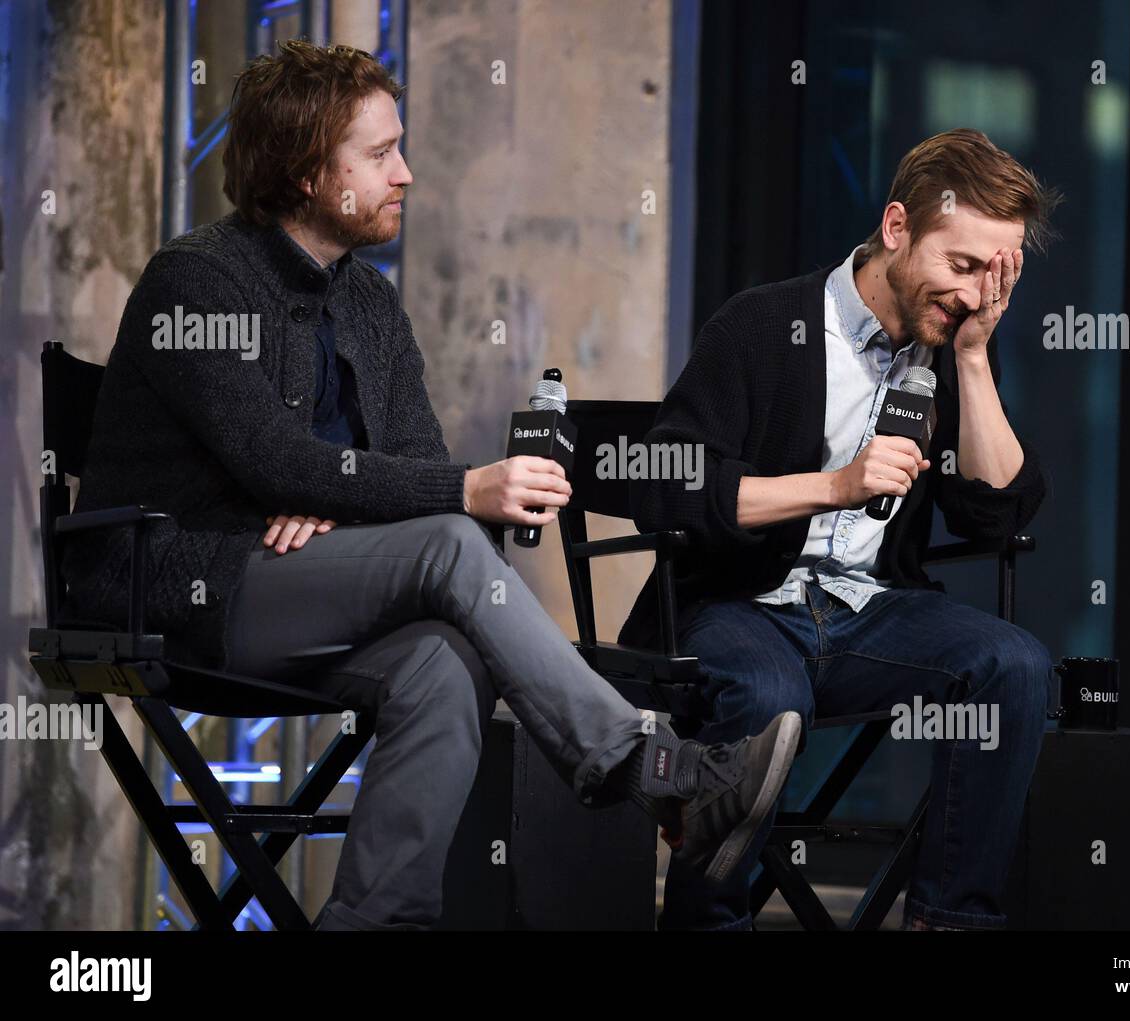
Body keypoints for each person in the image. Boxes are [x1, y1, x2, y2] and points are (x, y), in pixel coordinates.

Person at [59, 40, 800, 931]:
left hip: (295, 597)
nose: (406, 172)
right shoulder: (198, 280)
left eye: (399, 147)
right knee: (450, 535)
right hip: (181, 591)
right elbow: (278, 463)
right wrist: (394, 493)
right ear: (305, 173)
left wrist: (349, 500)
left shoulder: (371, 304)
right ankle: (661, 774)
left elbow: (399, 470)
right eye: (378, 155)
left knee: (443, 664)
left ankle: (376, 924)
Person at [620, 129, 1060, 931]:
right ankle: (707, 922)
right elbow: (664, 483)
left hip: (869, 614)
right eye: (962, 266)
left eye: (993, 277)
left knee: (1016, 665)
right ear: (897, 228)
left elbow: (996, 511)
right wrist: (836, 486)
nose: (971, 293)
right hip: (738, 604)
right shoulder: (765, 325)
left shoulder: (947, 341)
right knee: (768, 692)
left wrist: (972, 357)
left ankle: (951, 922)